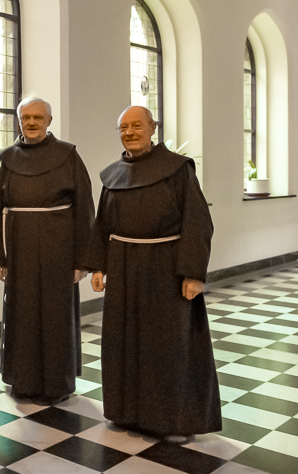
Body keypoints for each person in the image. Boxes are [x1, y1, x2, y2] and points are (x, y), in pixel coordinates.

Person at [89, 105, 221, 443]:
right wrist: (99, 265)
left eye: (137, 126)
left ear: (153, 128)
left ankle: (172, 420)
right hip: (123, 268)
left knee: (167, 345)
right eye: (124, 128)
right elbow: (103, 223)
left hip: (166, 270)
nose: (130, 132)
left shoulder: (177, 170)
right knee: (123, 341)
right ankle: (124, 411)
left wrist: (193, 273)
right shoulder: (112, 175)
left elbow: (197, 222)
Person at [0, 97, 95, 405]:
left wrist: (82, 260)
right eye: (25, 117)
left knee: (55, 316)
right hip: (18, 250)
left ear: (49, 120)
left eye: (38, 117)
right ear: (18, 121)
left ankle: (57, 383)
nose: (31, 123)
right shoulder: (7, 159)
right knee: (21, 315)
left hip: (58, 252)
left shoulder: (68, 156)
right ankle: (22, 380)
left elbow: (85, 208)